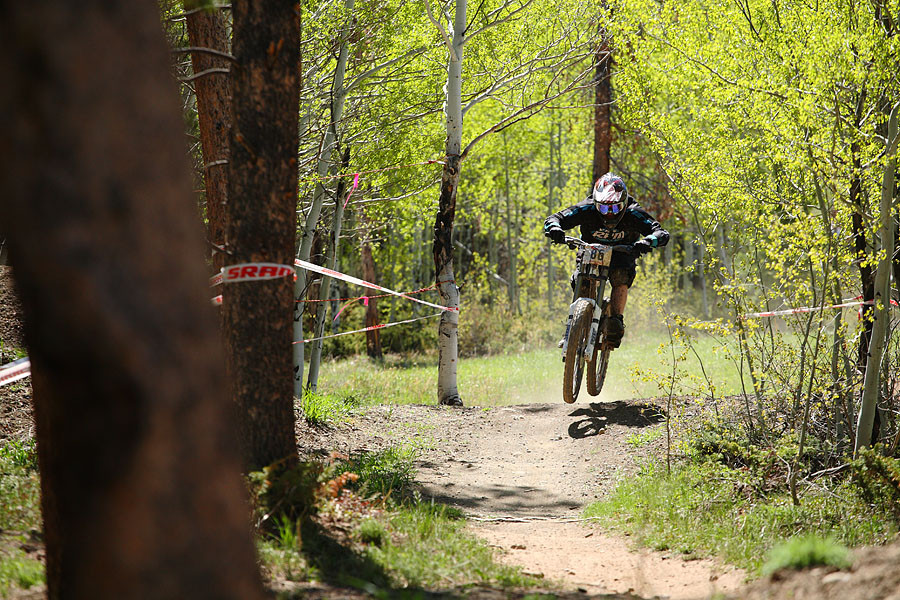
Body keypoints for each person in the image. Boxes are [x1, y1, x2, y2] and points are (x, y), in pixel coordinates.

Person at [543, 173, 669, 347]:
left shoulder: (634, 212)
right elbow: (555, 218)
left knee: (620, 276)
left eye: (615, 209)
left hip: (622, 252)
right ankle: (573, 328)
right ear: (596, 204)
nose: (609, 214)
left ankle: (616, 319)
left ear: (624, 204)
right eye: (603, 209)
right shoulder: (587, 208)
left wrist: (647, 241)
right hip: (591, 250)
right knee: (581, 281)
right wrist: (555, 229)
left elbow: (660, 232)